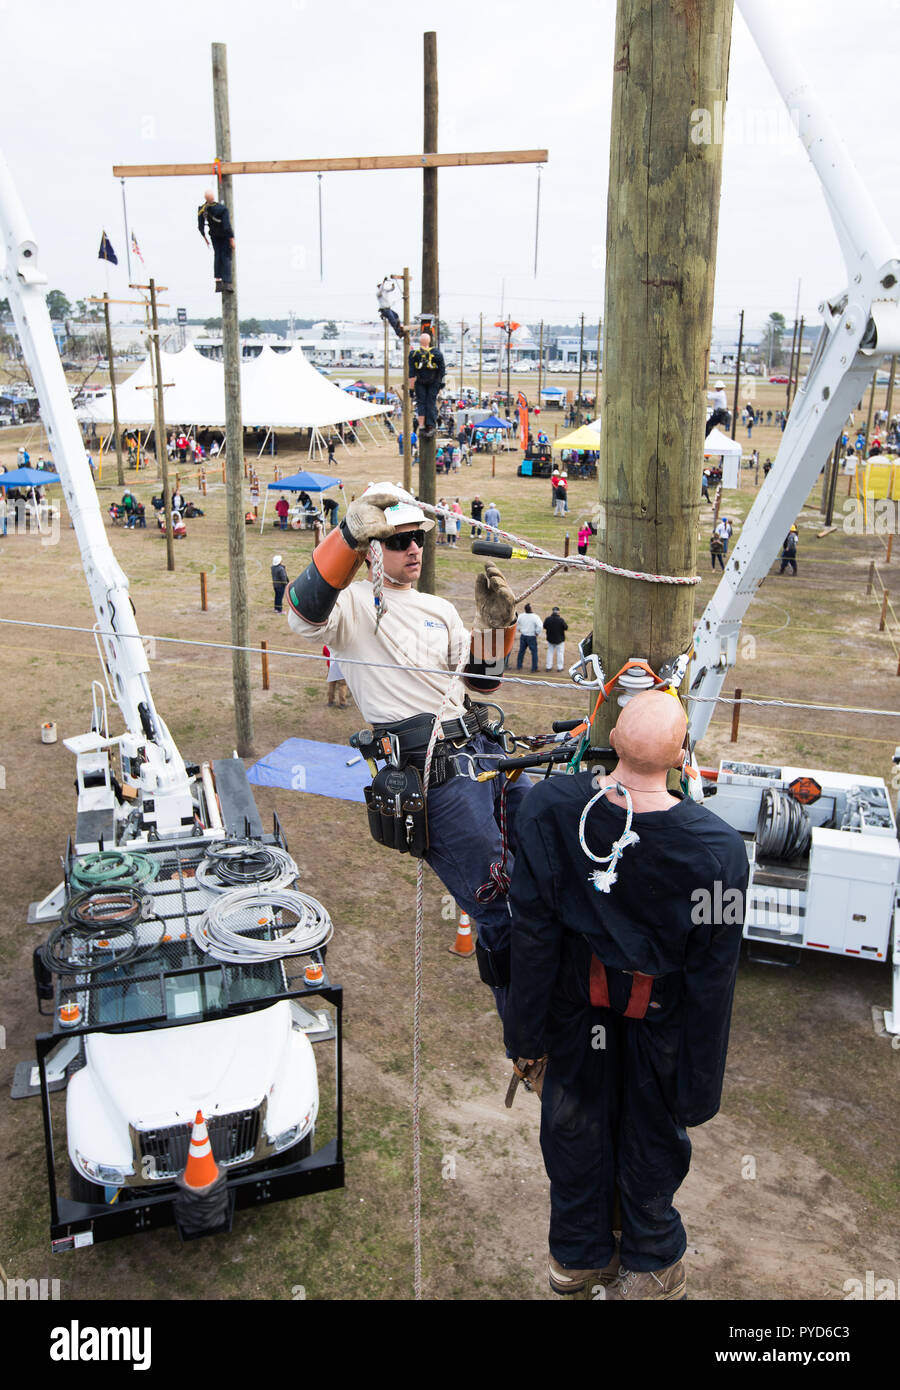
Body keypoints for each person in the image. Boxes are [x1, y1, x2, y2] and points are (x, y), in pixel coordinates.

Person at [504, 690, 748, 1300]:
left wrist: (526, 1041)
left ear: (611, 740)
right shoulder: (718, 851)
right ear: (683, 754)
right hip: (657, 1021)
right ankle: (649, 1259)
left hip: (574, 1015)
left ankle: (580, 1256)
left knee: (572, 1128)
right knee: (652, 1135)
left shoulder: (552, 810)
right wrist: (697, 1087)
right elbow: (713, 977)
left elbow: (532, 933)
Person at [286, 482, 528, 1021]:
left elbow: (481, 687)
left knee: (545, 858)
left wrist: (496, 629)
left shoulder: (439, 609)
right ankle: (528, 1028)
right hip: (437, 778)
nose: (414, 549)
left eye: (418, 538)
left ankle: (563, 987)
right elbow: (300, 616)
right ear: (374, 548)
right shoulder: (351, 606)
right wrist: (346, 535)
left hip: (486, 752)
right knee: (497, 900)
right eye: (399, 541)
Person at [197, 188, 235, 293]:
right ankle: (228, 283)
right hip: (224, 236)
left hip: (214, 236)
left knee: (217, 255)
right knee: (226, 257)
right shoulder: (222, 209)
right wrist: (231, 239)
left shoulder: (202, 209)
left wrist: (205, 239)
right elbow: (227, 226)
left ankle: (218, 282)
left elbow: (200, 227)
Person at [408, 332, 445, 438]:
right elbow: (442, 370)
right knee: (430, 402)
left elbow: (411, 373)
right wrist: (440, 384)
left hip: (420, 381)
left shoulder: (414, 354)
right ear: (429, 341)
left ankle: (421, 426)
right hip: (433, 381)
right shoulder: (437, 353)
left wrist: (411, 389)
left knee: (421, 403)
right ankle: (431, 425)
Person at [515, 604, 542, 672]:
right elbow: (540, 626)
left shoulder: (521, 616)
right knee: (534, 652)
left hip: (523, 636)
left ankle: (519, 665)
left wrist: (519, 629)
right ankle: (534, 668)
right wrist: (537, 632)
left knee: (521, 651)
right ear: (531, 609)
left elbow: (516, 622)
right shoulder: (535, 617)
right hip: (531, 637)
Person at [543, 606, 567, 671]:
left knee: (549, 653)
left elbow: (544, 626)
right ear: (558, 612)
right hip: (560, 640)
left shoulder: (548, 619)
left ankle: (548, 667)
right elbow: (566, 628)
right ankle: (560, 667)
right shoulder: (561, 620)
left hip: (550, 639)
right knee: (560, 654)